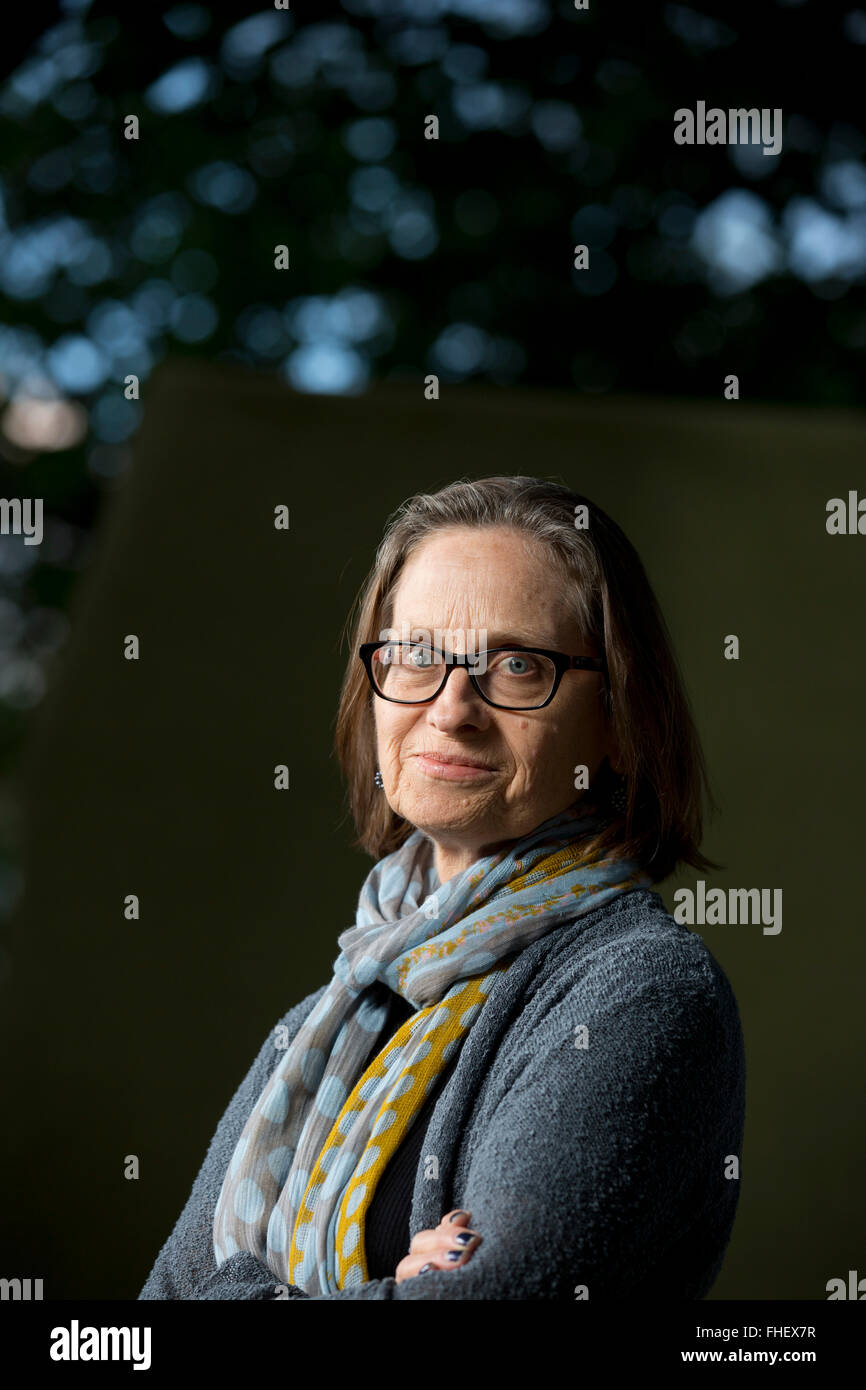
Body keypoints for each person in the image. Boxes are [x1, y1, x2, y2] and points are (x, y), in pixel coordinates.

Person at [139, 474, 746, 1301]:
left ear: (616, 718)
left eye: (518, 665)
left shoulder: (640, 989)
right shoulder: (335, 1010)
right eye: (417, 656)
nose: (452, 708)